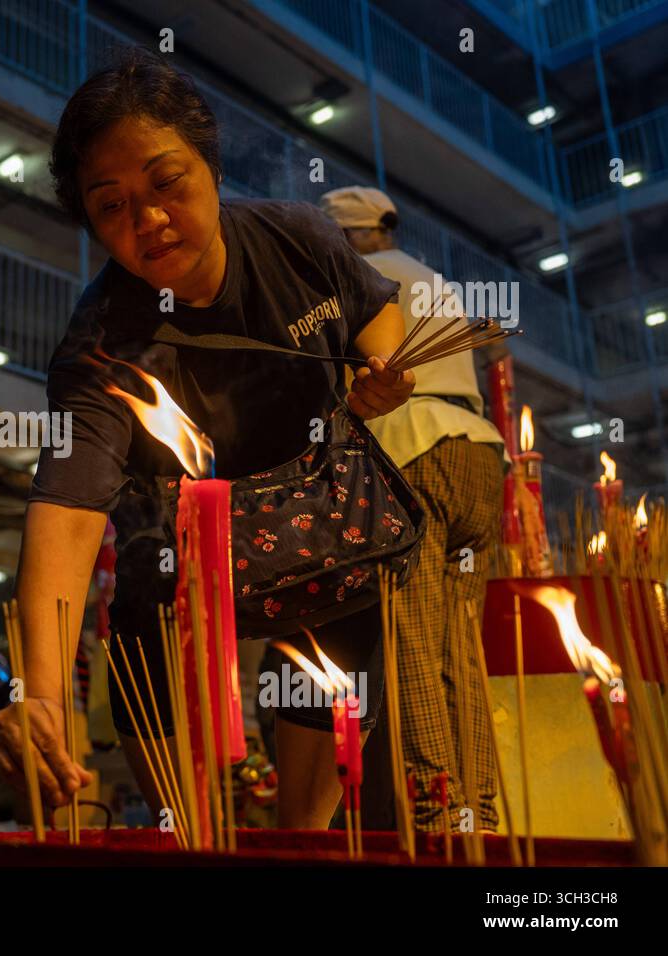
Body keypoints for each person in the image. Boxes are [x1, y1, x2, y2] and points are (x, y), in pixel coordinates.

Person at [0, 49, 415, 829]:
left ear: (210, 164)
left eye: (165, 182)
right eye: (110, 205)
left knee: (345, 602)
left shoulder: (299, 241)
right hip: (182, 558)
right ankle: (187, 830)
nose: (146, 220)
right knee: (146, 582)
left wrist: (377, 370)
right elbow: (68, 512)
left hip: (316, 525)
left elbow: (378, 311)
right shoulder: (102, 345)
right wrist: (40, 697)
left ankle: (301, 835)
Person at [320, 186, 508, 832]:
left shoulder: (356, 278)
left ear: (347, 240)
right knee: (464, 646)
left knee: (413, 633)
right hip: (481, 458)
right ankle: (479, 810)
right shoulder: (436, 282)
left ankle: (435, 805)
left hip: (414, 451)